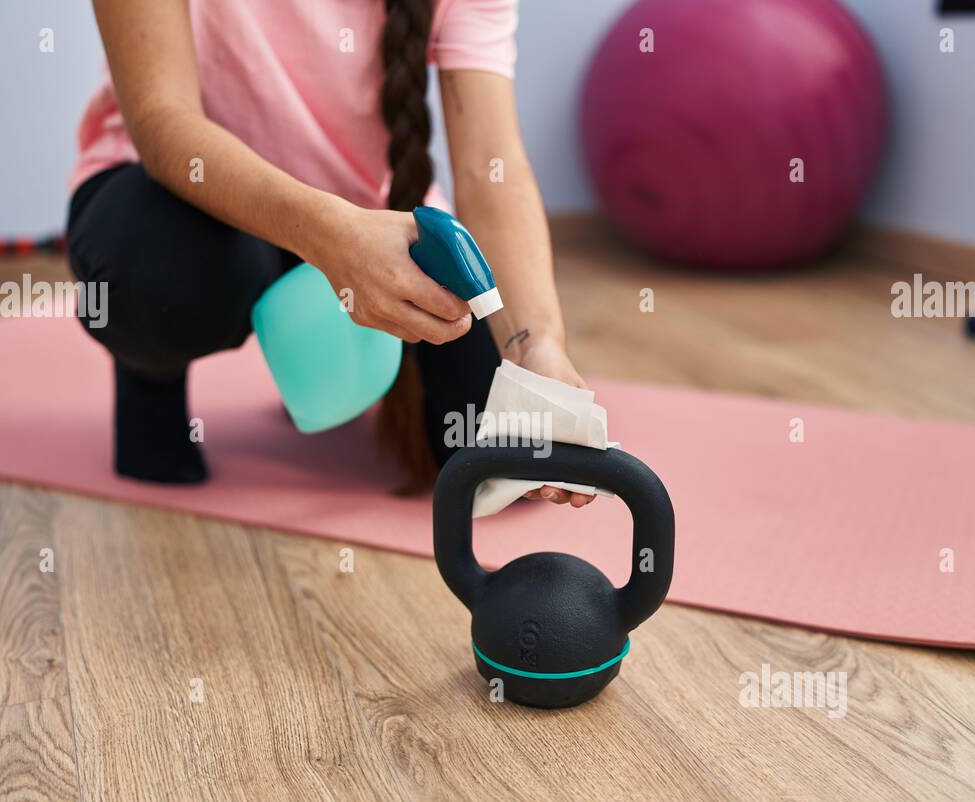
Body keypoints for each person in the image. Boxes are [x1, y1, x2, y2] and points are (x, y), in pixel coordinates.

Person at [66, 0, 593, 506]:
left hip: (367, 226)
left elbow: (488, 165)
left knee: (500, 456)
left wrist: (534, 349)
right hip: (183, 204)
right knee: (164, 280)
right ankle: (150, 376)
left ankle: (333, 366)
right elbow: (163, 118)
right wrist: (330, 237)